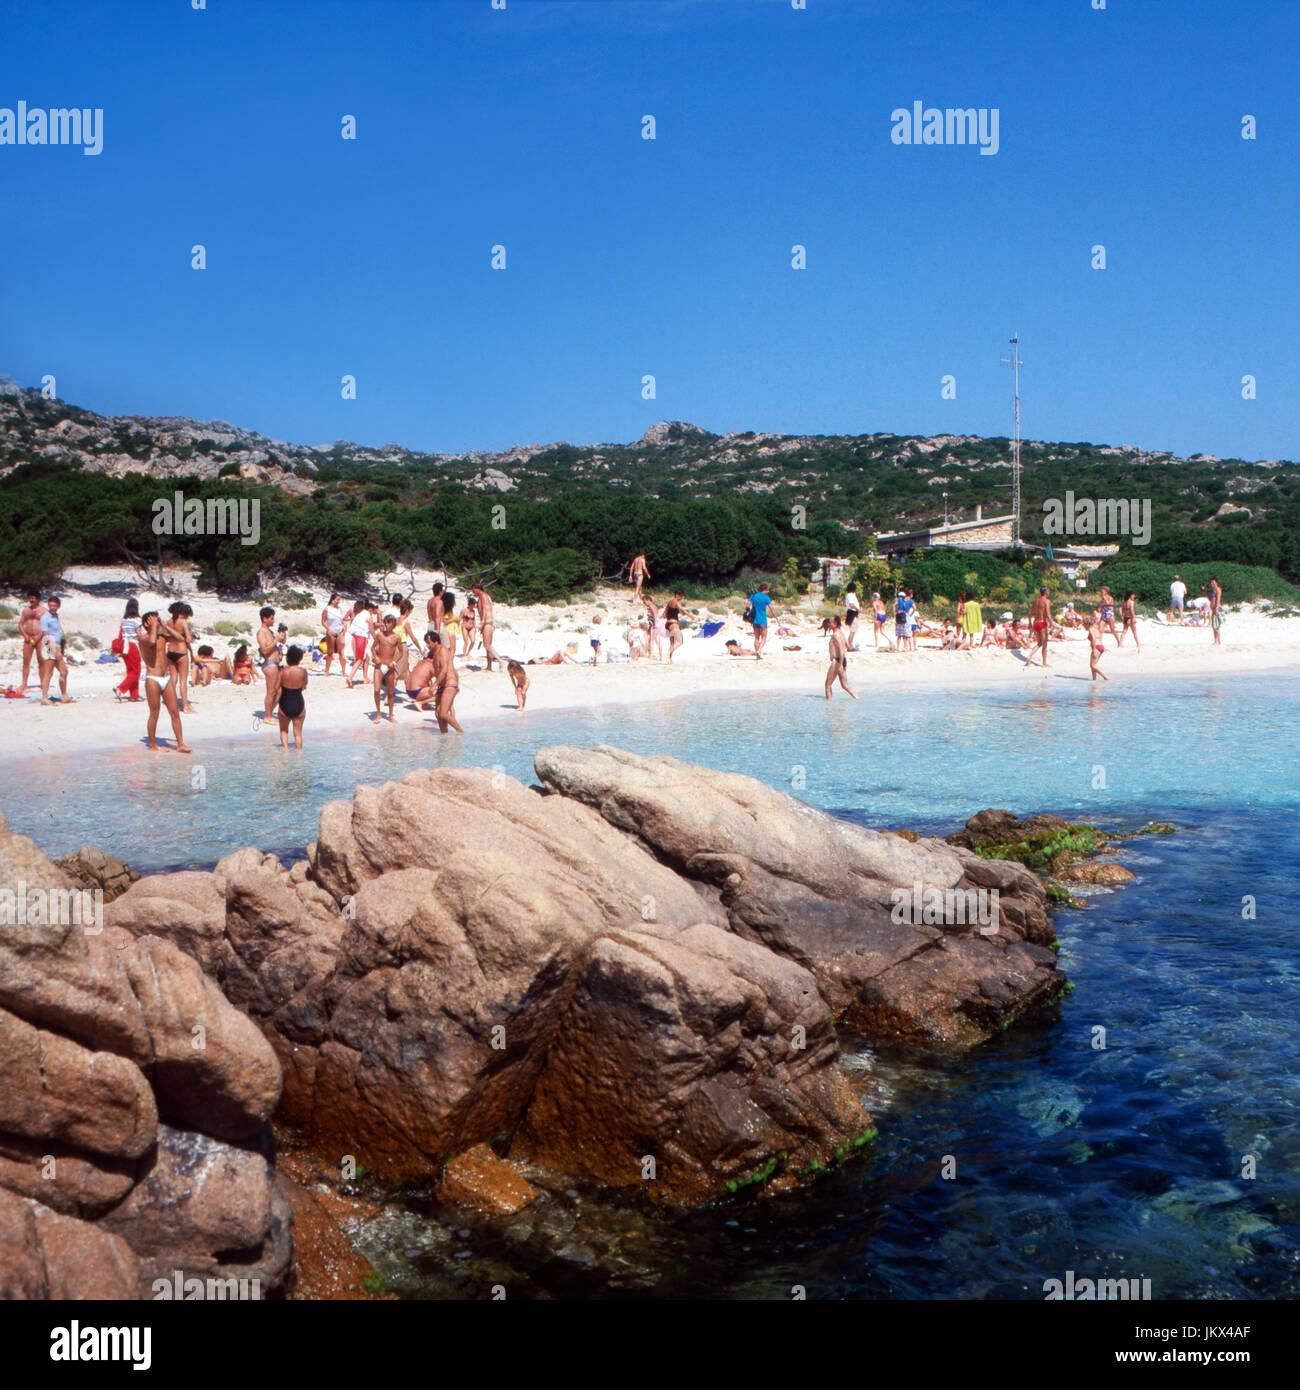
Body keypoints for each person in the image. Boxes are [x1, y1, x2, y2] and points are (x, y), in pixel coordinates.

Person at [138, 611, 191, 751]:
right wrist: (153, 627)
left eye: (158, 620)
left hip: (165, 678)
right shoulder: (143, 638)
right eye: (154, 621)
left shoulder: (163, 637)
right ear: (147, 624)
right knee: (154, 712)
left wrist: (164, 626)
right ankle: (153, 744)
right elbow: (152, 641)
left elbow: (180, 638)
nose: (158, 623)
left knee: (175, 712)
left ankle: (180, 744)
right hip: (152, 679)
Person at [38, 596, 73, 705]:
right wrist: (54, 650)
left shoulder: (55, 616)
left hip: (57, 644)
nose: (52, 607)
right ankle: (44, 697)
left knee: (64, 671)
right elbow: (45, 634)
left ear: (58, 606)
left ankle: (64, 695)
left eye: (54, 605)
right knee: (49, 672)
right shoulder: (45, 618)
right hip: (49, 645)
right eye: (50, 605)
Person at [371, 613, 402, 722]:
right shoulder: (380, 635)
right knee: (376, 690)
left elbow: (401, 653)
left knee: (390, 692)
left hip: (389, 667)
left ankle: (390, 715)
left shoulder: (397, 637)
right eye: (385, 622)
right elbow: (373, 648)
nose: (386, 625)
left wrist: (394, 662)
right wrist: (375, 657)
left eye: (389, 623)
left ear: (393, 624)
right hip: (379, 666)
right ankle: (378, 714)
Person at [432, 627, 463, 733]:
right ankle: (444, 736)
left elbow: (444, 670)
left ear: (435, 642)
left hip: (450, 683)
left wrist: (434, 685)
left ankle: (461, 732)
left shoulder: (443, 651)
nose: (427, 645)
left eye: (428, 643)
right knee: (437, 713)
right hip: (442, 685)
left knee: (443, 713)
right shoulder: (434, 653)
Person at [167, 601, 197, 711]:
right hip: (181, 652)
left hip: (170, 651)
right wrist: (189, 637)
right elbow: (188, 639)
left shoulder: (169, 622)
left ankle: (171, 703)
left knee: (172, 680)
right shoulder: (183, 622)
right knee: (183, 681)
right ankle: (185, 705)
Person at [277, 646, 308, 748]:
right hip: (298, 703)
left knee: (283, 731)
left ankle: (285, 755)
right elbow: (304, 687)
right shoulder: (303, 672)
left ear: (288, 657)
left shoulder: (282, 672)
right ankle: (299, 760)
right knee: (298, 734)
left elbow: (277, 688)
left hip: (284, 703)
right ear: (299, 658)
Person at [114, 598, 143, 702]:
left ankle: (134, 695)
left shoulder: (124, 620)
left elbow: (121, 634)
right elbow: (139, 635)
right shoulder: (138, 620)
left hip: (124, 646)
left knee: (131, 670)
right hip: (133, 645)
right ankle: (120, 688)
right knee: (136, 672)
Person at [403, 632, 441, 711]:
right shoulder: (431, 665)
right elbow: (440, 679)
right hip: (416, 691)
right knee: (443, 692)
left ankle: (423, 702)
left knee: (428, 682)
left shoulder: (422, 662)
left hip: (409, 690)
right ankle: (421, 702)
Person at [824, 616, 857, 700]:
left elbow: (842, 651)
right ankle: (857, 698)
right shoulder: (841, 633)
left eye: (830, 622)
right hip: (842, 660)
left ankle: (829, 706)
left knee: (828, 685)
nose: (828, 623)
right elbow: (848, 646)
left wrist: (840, 665)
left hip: (837, 662)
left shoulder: (836, 635)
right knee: (844, 685)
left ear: (835, 624)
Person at [256, 606, 280, 719]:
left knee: (279, 691)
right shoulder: (261, 632)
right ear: (264, 619)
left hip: (275, 664)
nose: (273, 620)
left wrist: (281, 637)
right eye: (271, 618)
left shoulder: (269, 631)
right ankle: (268, 716)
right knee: (271, 692)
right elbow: (265, 650)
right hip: (270, 664)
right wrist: (276, 640)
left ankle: (269, 712)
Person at [470, 583, 500, 671]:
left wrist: (482, 622)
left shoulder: (483, 596)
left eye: (473, 590)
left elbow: (485, 609)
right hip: (488, 622)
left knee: (487, 645)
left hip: (487, 622)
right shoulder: (485, 596)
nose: (473, 592)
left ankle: (501, 661)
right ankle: (489, 666)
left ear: (476, 588)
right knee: (488, 645)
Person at [19, 590, 44, 690]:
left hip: (40, 638)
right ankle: (24, 684)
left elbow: (47, 625)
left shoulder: (43, 611)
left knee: (41, 661)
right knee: (26, 661)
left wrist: (39, 635)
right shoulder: (26, 610)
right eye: (30, 598)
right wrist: (24, 635)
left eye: (33, 598)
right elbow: (20, 623)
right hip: (28, 638)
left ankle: (43, 683)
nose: (31, 600)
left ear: (38, 599)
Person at [346, 599, 375, 688]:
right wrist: (377, 640)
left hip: (354, 638)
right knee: (359, 659)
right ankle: (350, 677)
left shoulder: (358, 615)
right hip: (361, 638)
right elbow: (372, 630)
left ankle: (365, 678)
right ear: (370, 609)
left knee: (366, 659)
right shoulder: (368, 616)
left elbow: (351, 629)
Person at [1024, 586, 1052, 668]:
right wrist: (1052, 623)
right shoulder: (1047, 601)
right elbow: (1048, 614)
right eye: (1049, 591)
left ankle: (1029, 656)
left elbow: (1029, 612)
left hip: (1035, 623)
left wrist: (1029, 623)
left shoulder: (1036, 601)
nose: (1049, 592)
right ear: (1046, 592)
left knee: (1039, 643)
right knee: (1044, 644)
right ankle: (1044, 663)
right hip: (1042, 623)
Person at [748, 583, 775, 659]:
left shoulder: (753, 596)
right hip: (763, 620)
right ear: (765, 589)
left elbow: (747, 606)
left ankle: (757, 655)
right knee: (764, 638)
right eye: (768, 589)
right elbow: (771, 609)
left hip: (754, 620)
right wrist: (776, 618)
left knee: (756, 638)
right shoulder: (766, 598)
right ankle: (759, 650)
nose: (768, 591)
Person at [321, 594, 345, 676]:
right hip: (331, 631)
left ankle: (343, 671)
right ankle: (327, 671)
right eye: (337, 599)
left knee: (341, 651)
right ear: (333, 600)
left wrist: (344, 627)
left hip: (339, 631)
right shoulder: (327, 609)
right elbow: (323, 621)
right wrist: (328, 629)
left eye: (339, 600)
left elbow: (341, 620)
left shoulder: (339, 609)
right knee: (330, 652)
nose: (339, 602)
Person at [664, 591, 690, 662]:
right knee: (680, 641)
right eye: (681, 596)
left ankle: (670, 659)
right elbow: (682, 609)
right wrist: (691, 615)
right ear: (677, 595)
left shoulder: (670, 602)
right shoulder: (676, 602)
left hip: (668, 624)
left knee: (672, 644)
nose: (682, 598)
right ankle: (668, 654)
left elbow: (666, 612)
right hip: (674, 624)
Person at [1086, 610, 1109, 682]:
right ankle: (1094, 680)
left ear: (1087, 624)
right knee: (1093, 665)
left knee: (1093, 665)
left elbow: (1093, 639)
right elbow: (1099, 637)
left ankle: (1105, 677)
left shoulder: (1090, 629)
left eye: (1084, 624)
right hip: (1101, 646)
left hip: (1096, 647)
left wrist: (1093, 649)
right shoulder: (1095, 628)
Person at [642, 595, 665, 660]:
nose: (644, 604)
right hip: (655, 625)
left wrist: (654, 626)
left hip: (654, 625)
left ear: (648, 600)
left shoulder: (651, 607)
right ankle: (661, 656)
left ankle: (650, 656)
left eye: (644, 602)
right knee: (657, 641)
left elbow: (655, 616)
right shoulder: (653, 606)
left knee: (651, 641)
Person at [1209, 577, 1223, 646]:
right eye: (1211, 583)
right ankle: (1218, 640)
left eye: (1214, 582)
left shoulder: (1218, 590)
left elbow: (1218, 600)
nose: (1212, 584)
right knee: (1214, 625)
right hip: (1213, 609)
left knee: (1215, 625)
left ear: (1216, 582)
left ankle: (1216, 641)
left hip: (1216, 609)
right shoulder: (1213, 590)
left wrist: (1217, 608)